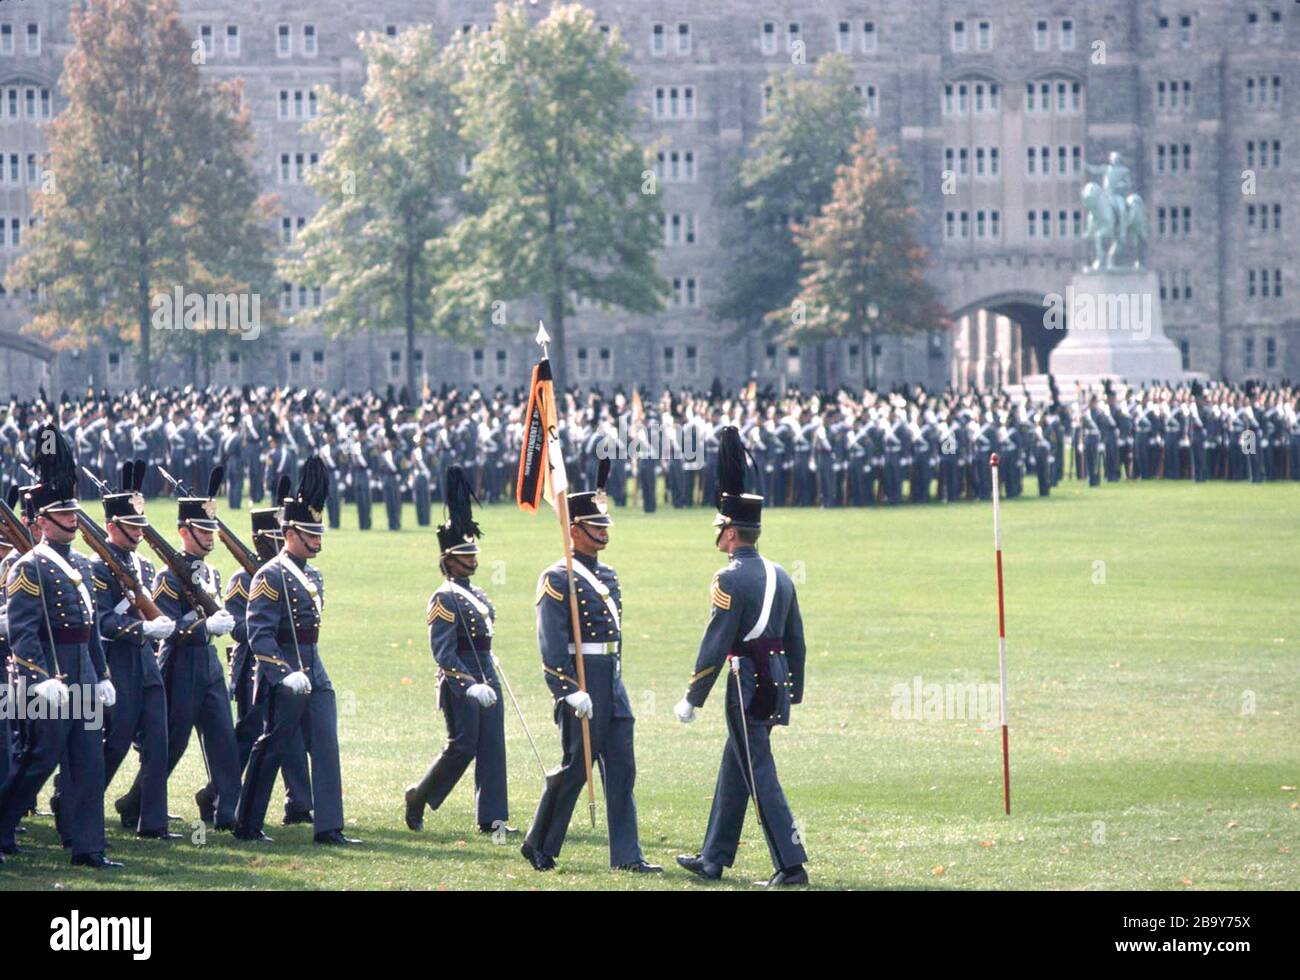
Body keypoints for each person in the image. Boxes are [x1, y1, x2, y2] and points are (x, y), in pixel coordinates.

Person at [675, 426, 808, 886]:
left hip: (744, 681)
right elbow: (797, 640)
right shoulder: (783, 575)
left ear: (731, 532)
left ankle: (791, 865)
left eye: (720, 529)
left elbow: (717, 641)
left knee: (759, 771)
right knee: (738, 761)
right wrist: (797, 689)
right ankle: (713, 857)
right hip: (777, 680)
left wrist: (694, 696)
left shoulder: (728, 579)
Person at [521, 461, 659, 874]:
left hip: (611, 679)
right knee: (576, 767)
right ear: (574, 529)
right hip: (581, 680)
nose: (604, 531)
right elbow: (550, 641)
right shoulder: (556, 577)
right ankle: (539, 842)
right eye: (595, 526)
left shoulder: (609, 574)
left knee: (622, 768)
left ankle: (627, 855)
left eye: (605, 525)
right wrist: (567, 688)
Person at [0, 425, 119, 867]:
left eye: (73, 512)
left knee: (88, 763)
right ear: (42, 521)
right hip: (48, 674)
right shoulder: (29, 567)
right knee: (38, 759)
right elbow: (22, 631)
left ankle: (89, 848)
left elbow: (88, 629)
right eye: (63, 514)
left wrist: (102, 675)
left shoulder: (83, 567)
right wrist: (38, 677)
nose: (73, 519)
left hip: (82, 671)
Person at [234, 457, 359, 845]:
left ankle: (329, 826)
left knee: (325, 743)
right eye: (310, 533)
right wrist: (282, 672)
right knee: (272, 744)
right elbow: (259, 632)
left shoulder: (314, 574)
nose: (317, 540)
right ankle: (247, 822)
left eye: (319, 533)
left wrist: (307, 669)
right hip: (282, 671)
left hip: (313, 667)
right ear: (289, 532)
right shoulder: (270, 575)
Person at [116, 468, 241, 831]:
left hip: (209, 664)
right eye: (203, 531)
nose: (210, 537)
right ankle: (134, 802)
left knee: (223, 740)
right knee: (172, 744)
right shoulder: (167, 577)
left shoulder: (213, 573)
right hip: (180, 664)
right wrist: (204, 628)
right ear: (184, 532)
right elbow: (166, 630)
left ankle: (226, 810)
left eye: (212, 530)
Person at [404, 466, 513, 836]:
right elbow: (443, 652)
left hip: (486, 671)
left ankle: (494, 819)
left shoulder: (477, 593)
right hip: (460, 679)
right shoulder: (444, 596)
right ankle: (420, 795)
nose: (473, 560)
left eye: (474, 553)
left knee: (493, 747)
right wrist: (468, 683)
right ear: (449, 560)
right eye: (465, 555)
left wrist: (488, 667)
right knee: (463, 746)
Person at [211, 484, 313, 827]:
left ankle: (298, 803)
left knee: (290, 736)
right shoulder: (245, 579)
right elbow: (242, 628)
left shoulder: (292, 575)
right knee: (251, 735)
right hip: (251, 667)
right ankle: (216, 795)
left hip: (286, 664)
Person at [91, 461, 178, 838]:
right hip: (118, 661)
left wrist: (155, 627)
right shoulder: (97, 567)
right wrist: (142, 625)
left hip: (145, 660)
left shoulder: (141, 565)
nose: (139, 534)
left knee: (159, 742)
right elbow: (102, 621)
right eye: (132, 527)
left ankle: (152, 822)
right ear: (112, 526)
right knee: (117, 741)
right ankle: (75, 800)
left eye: (142, 526)